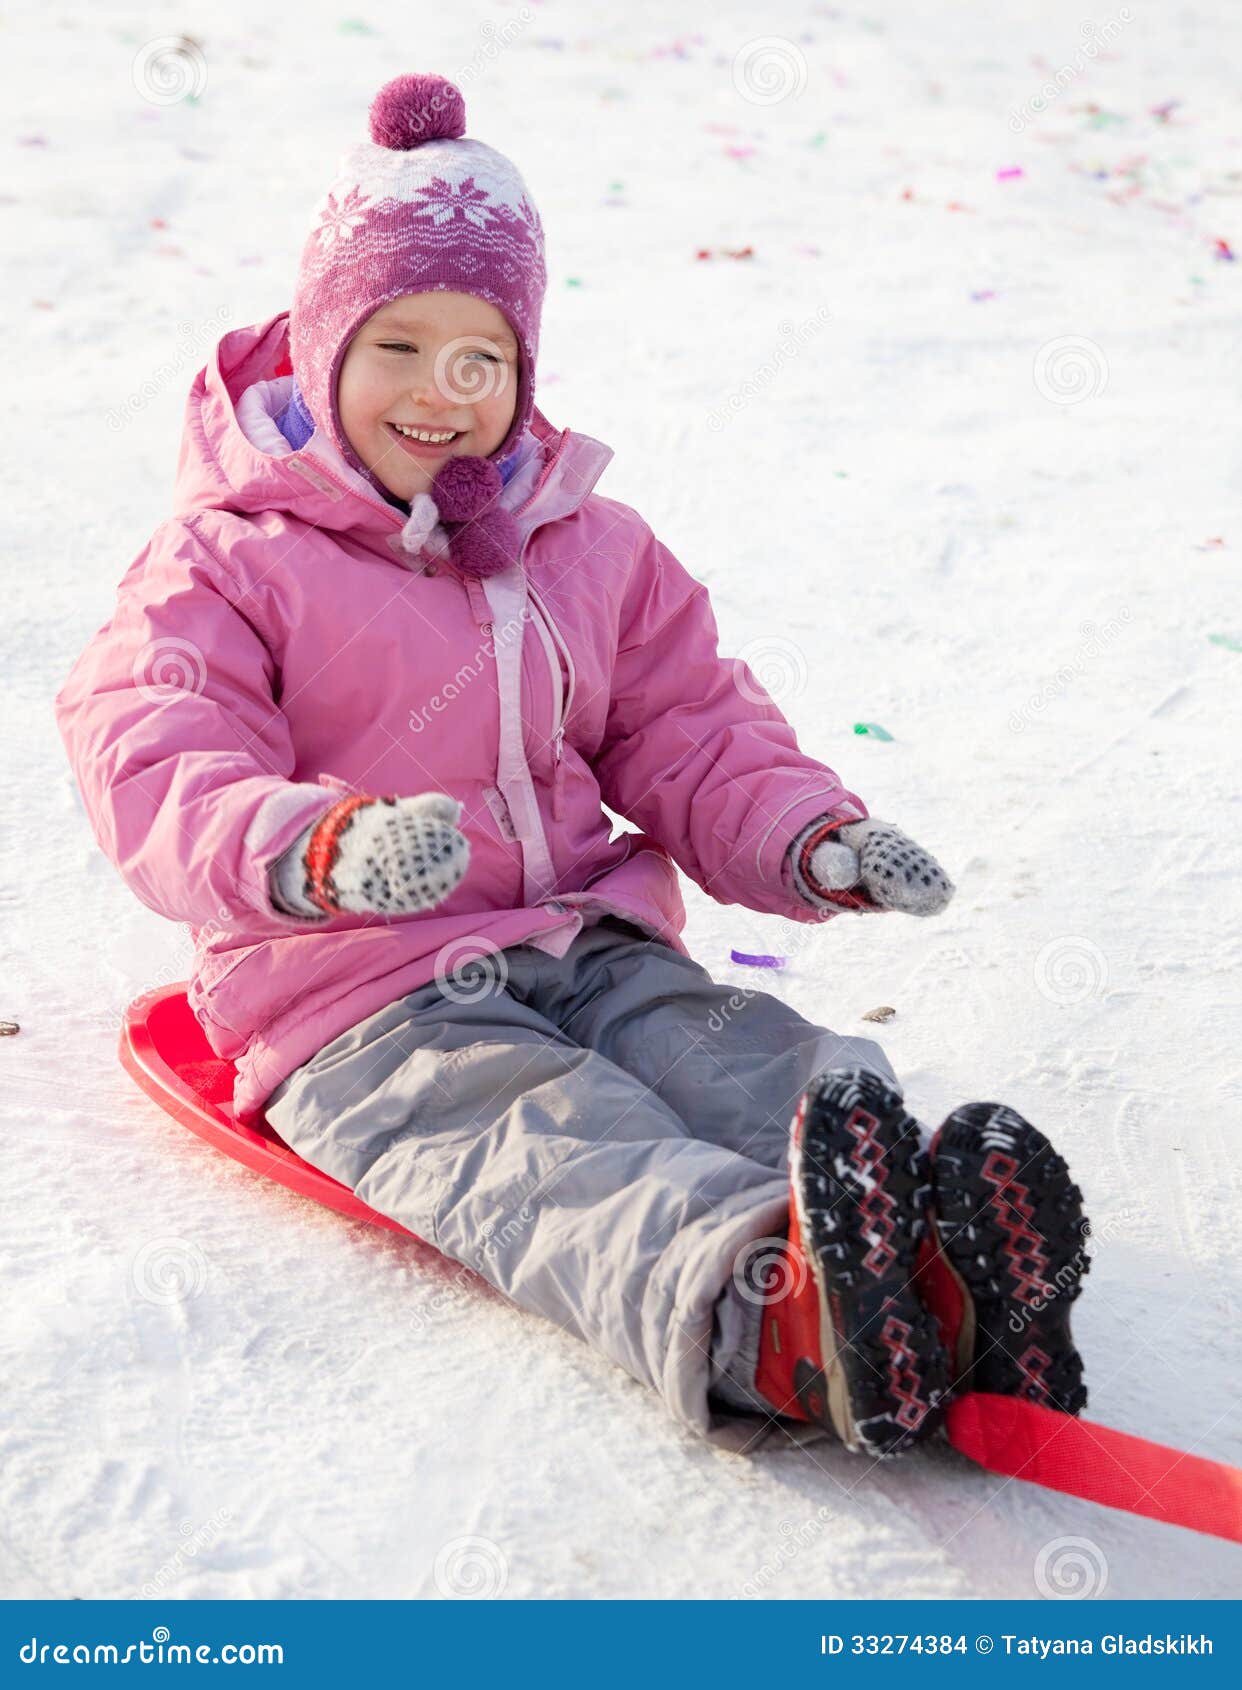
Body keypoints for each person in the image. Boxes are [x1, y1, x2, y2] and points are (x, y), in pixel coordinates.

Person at [55, 72, 1088, 1458]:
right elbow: (155, 753)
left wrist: (807, 834)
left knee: (750, 1059)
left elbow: (681, 722)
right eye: (398, 346)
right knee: (552, 1139)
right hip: (365, 994)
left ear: (526, 366)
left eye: (482, 357)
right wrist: (320, 847)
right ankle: (768, 1316)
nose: (442, 391)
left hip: (584, 940)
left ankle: (930, 1246)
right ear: (317, 346)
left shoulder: (578, 539)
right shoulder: (228, 562)